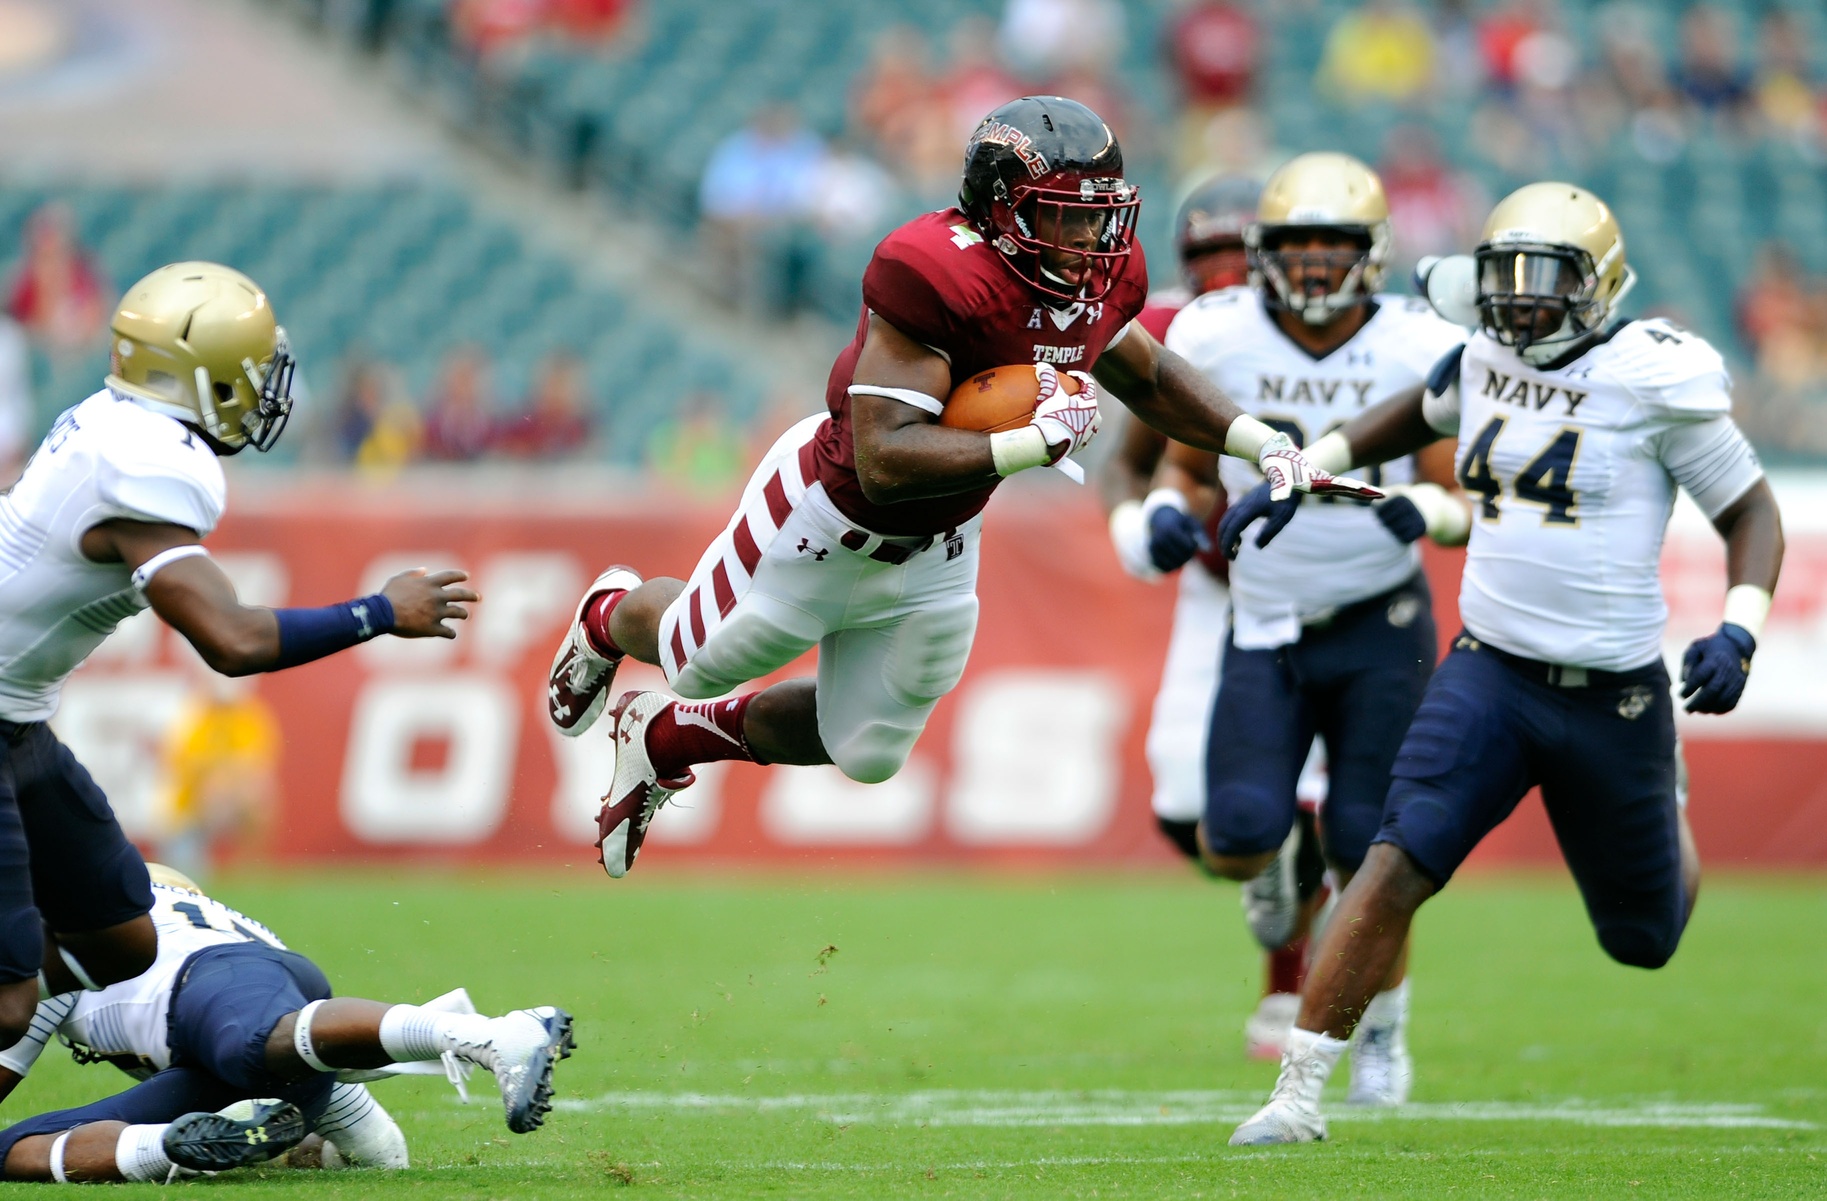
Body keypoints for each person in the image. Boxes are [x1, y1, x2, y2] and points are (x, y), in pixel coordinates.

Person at [544, 97, 1376, 879]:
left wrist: (1264, 443)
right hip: (827, 514)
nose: (1090, 235)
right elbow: (884, 458)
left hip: (941, 539)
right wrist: (1026, 445)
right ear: (1000, 206)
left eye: (1098, 212)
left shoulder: (1098, 273)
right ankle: (609, 616)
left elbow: (1148, 375)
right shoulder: (931, 269)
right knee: (698, 656)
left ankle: (665, 737)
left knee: (865, 748)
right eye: (1063, 212)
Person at [1230, 182, 1785, 1144]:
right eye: (1506, 274)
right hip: (1487, 672)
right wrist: (1301, 464)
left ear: (1600, 284)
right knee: (1396, 855)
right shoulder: (1480, 355)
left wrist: (1739, 624)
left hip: (1612, 694)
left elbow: (1750, 512)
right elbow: (1408, 415)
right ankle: (1297, 1093)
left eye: (1546, 276)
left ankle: (1669, 799)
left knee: (1641, 938)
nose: (1521, 297)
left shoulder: (1656, 377)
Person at [0, 261, 477, 1056]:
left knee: (122, 939)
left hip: (20, 717)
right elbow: (234, 640)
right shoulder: (145, 463)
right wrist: (381, 612)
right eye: (250, 374)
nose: (264, 391)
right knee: (9, 1004)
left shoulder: (117, 423)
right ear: (203, 379)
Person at [1159, 153, 1470, 1104]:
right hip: (1260, 618)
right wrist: (1167, 511)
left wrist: (1432, 515)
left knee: (1372, 849)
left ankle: (1382, 1026)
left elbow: (1461, 496)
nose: (1309, 264)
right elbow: (1180, 459)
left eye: (1330, 245)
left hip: (1380, 617)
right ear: (1262, 252)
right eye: (1293, 245)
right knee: (1235, 837)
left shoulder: (1417, 342)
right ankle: (1275, 870)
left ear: (1371, 253)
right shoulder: (1215, 333)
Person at [1100, 174, 1328, 1060]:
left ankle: (1290, 990)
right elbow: (1128, 461)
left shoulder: (1332, 329)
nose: (1225, 276)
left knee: (1313, 802)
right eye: (1207, 259)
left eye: (1241, 256)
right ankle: (1273, 869)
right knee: (1184, 804)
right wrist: (1137, 523)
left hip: (1320, 591)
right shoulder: (1170, 331)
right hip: (1216, 591)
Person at [0, 865, 573, 1181]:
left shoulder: (69, 938)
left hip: (218, 995)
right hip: (254, 1031)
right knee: (9, 1150)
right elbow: (383, 1149)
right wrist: (316, 1142)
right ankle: (171, 1147)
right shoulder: (213, 917)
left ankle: (498, 1034)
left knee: (253, 1047)